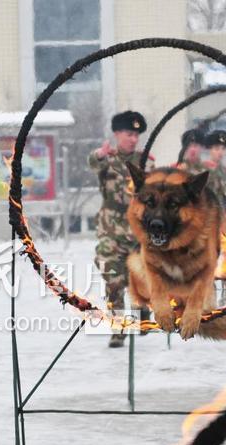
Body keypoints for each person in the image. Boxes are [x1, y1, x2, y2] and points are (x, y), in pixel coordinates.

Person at [89, 110, 153, 348]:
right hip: (111, 231)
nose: (133, 139)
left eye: (136, 135)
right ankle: (118, 329)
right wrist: (100, 153)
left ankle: (142, 310)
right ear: (117, 134)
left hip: (138, 233)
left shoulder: (146, 162)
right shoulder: (107, 159)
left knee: (140, 278)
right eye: (129, 134)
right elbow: (93, 162)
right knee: (113, 281)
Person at [203, 129, 226, 199]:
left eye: (223, 148)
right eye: (217, 149)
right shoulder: (202, 171)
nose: (220, 152)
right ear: (210, 150)